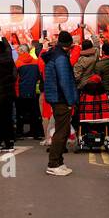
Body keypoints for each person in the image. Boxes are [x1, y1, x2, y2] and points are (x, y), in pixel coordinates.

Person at [43, 31, 79, 176]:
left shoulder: (54, 54)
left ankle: (59, 161)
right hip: (61, 98)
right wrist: (71, 101)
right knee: (62, 132)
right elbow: (65, 81)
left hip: (55, 96)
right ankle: (53, 164)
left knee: (61, 130)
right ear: (68, 45)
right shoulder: (61, 58)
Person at [14, 42, 45, 141]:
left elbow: (16, 79)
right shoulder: (36, 62)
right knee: (34, 112)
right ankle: (36, 132)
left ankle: (19, 133)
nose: (17, 52)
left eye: (18, 50)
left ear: (22, 51)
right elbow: (39, 75)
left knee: (20, 113)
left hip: (21, 91)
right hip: (34, 91)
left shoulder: (17, 63)